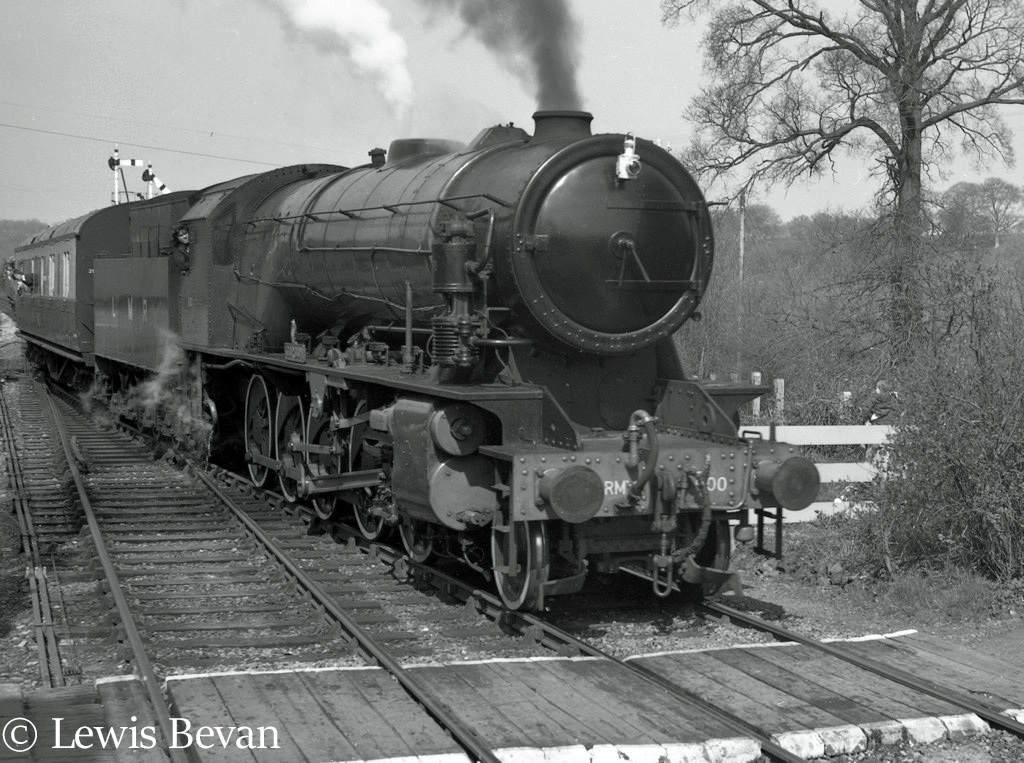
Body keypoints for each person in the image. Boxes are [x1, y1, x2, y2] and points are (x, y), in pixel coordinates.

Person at [863, 379, 901, 461]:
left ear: (880, 389)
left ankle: (868, 463)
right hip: (888, 427)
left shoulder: (873, 397)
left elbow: (865, 409)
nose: (875, 390)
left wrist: (868, 418)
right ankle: (886, 464)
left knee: (871, 448)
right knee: (887, 449)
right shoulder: (892, 399)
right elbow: (897, 411)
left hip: (876, 426)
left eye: (876, 388)